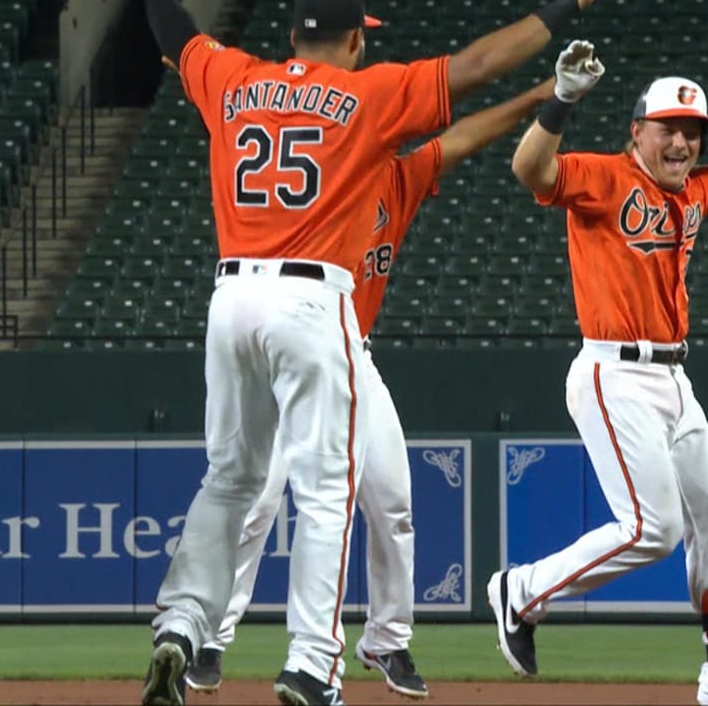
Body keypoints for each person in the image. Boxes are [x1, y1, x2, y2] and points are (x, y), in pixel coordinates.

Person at [107, 0, 624, 706]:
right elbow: (478, 64)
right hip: (310, 300)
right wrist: (570, 2)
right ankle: (313, 664)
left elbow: (176, 34)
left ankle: (181, 625)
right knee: (324, 491)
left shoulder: (233, 76)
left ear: (291, 34)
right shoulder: (368, 96)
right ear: (353, 42)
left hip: (230, 296)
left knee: (229, 480)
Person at [188, 78, 559, 701]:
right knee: (257, 504)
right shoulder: (321, 180)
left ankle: (386, 638)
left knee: (393, 500)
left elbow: (464, 135)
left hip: (352, 354)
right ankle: (210, 637)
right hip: (294, 352)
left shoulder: (400, 177)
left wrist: (541, 99)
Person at [491, 41, 708, 706]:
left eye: (692, 131)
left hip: (673, 381)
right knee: (653, 529)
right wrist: (562, 98)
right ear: (638, 132)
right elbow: (528, 168)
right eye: (669, 129)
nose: (683, 143)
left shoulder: (695, 190)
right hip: (612, 372)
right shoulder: (602, 177)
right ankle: (520, 592)